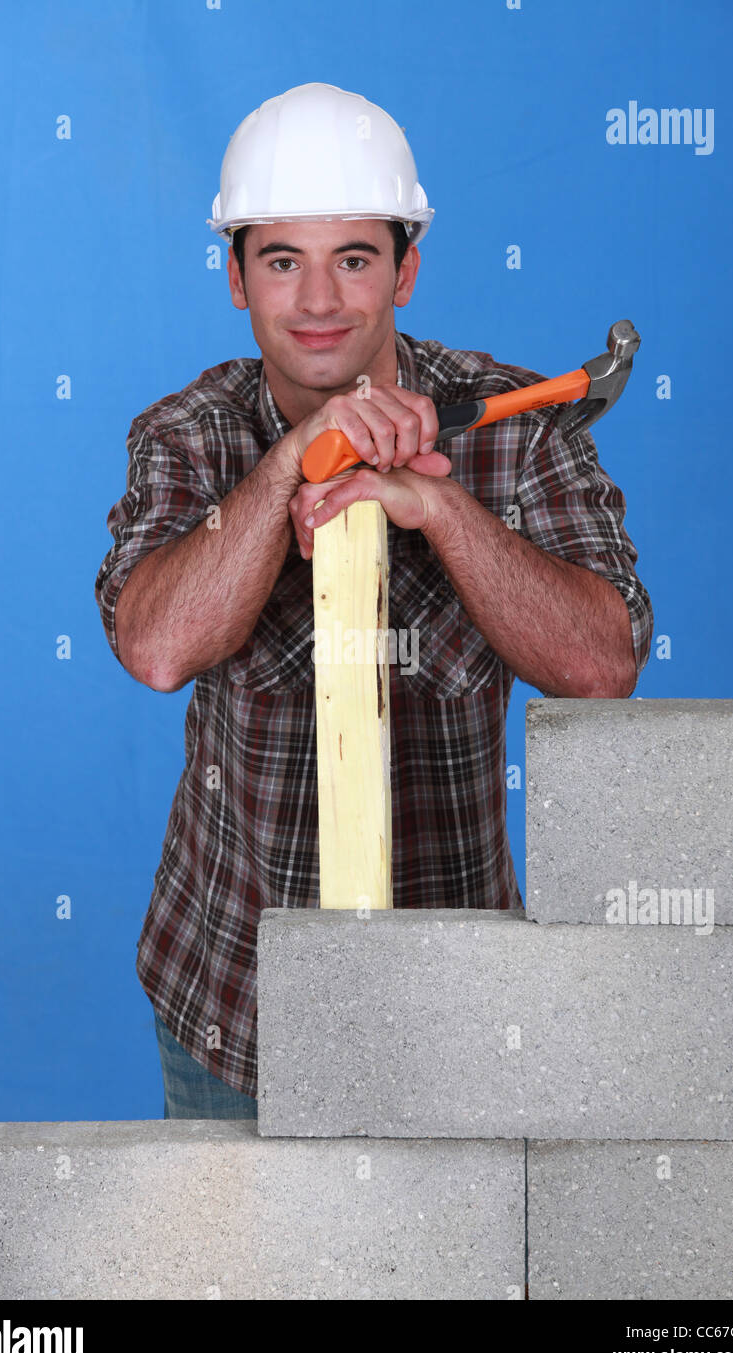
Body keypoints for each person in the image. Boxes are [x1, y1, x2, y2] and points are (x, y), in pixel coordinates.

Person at [94, 82, 654, 1120]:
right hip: (229, 997)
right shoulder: (189, 435)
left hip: (454, 999)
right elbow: (160, 646)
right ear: (233, 278)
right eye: (279, 260)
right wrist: (290, 466)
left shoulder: (516, 427)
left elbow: (602, 662)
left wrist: (437, 509)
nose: (316, 301)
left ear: (406, 270)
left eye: (353, 258)